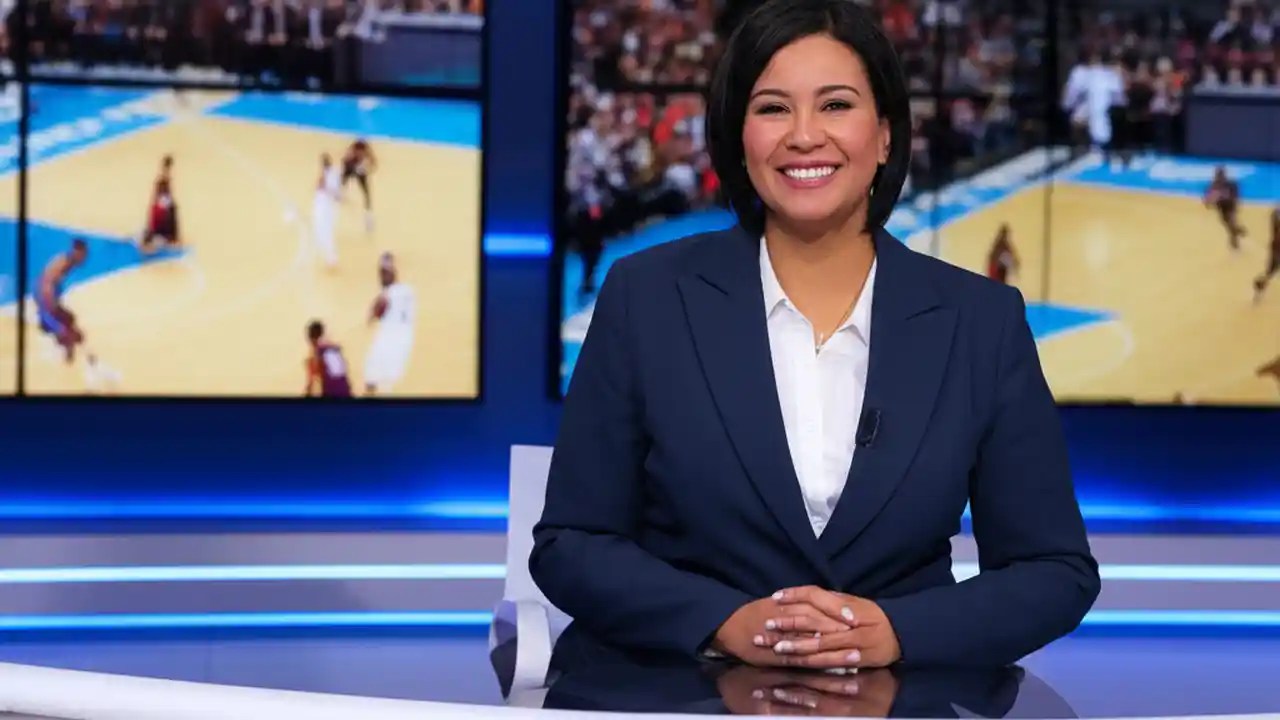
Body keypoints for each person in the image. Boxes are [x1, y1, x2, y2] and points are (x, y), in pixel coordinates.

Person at [531, 0, 1099, 672]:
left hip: (905, 702)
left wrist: (896, 632)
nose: (804, 135)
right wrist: (723, 622)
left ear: (885, 134)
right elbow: (571, 541)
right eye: (773, 108)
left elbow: (1053, 570)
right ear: (739, 138)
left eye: (835, 105)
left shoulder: (981, 322)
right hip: (682, 692)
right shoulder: (645, 298)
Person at [362, 252, 416, 395]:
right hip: (406, 337)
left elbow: (374, 313)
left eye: (383, 273)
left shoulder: (387, 294)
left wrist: (372, 314)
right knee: (388, 380)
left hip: (390, 335)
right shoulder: (407, 290)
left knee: (371, 374)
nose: (380, 276)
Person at [304, 319, 352, 398]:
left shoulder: (315, 354)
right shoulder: (334, 348)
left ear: (311, 338)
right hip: (346, 389)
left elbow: (312, 383)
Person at [1205, 166, 1245, 251]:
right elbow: (1207, 201)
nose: (1219, 177)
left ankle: (1235, 245)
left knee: (1231, 223)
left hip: (1230, 207)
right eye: (1218, 175)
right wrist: (1210, 201)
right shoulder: (1213, 186)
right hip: (1222, 208)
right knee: (1229, 225)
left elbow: (1235, 196)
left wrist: (1230, 199)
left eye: (1220, 175)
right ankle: (1238, 230)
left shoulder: (1230, 184)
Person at [312, 153, 341, 268]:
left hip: (327, 207)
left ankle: (331, 257)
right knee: (320, 229)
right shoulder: (328, 173)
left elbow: (333, 191)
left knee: (326, 231)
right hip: (321, 204)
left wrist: (324, 187)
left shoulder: (333, 174)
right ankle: (328, 254)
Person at [1253, 206, 1279, 303]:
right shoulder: (1277, 213)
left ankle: (1260, 285)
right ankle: (1260, 285)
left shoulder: (1276, 212)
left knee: (1271, 271)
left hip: (1276, 246)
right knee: (1271, 270)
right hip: (1277, 247)